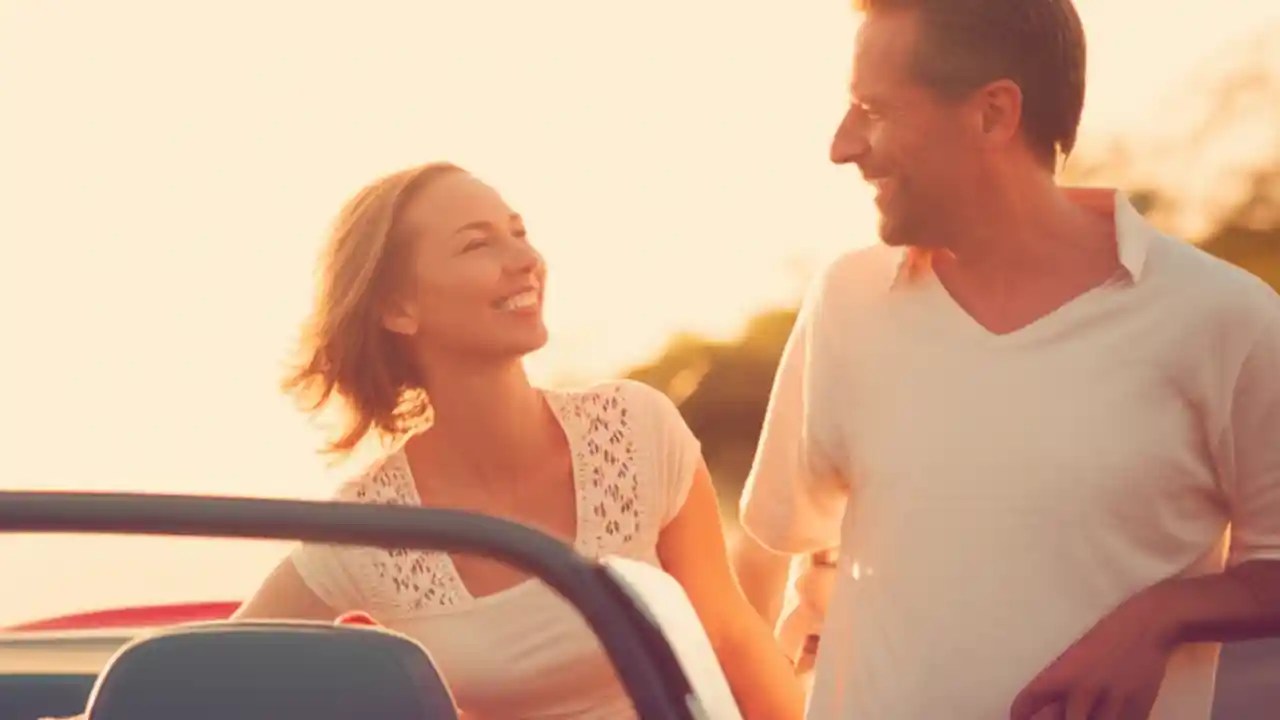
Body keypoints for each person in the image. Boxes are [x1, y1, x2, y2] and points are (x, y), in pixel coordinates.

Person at [735, 1, 1280, 719]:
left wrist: (1161, 617)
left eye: (873, 110)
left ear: (993, 115)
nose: (842, 146)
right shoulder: (846, 300)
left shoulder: (1225, 318)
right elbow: (770, 552)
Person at [234, 162, 805, 719]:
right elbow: (209, 670)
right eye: (477, 245)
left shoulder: (635, 428)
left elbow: (730, 636)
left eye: (520, 233)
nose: (527, 261)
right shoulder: (367, 526)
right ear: (397, 308)